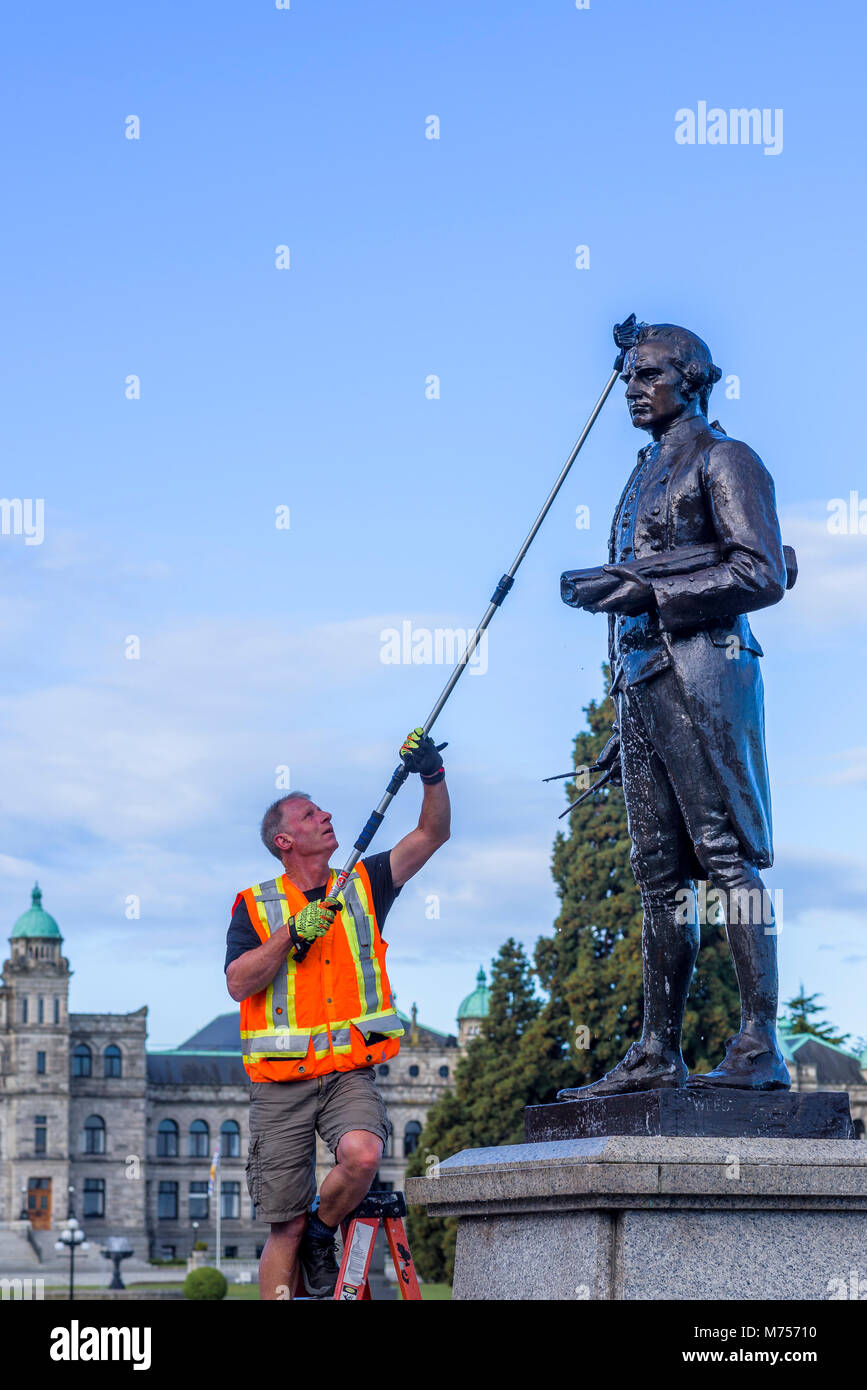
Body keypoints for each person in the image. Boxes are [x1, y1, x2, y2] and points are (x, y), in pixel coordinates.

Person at [561, 321, 790, 1098]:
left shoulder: (725, 459)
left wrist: (648, 590)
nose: (633, 387)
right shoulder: (641, 470)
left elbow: (762, 571)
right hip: (643, 682)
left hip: (706, 673)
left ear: (691, 378)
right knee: (656, 872)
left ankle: (760, 1041)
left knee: (726, 857)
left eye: (649, 374)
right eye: (628, 375)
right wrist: (619, 713)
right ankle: (658, 1049)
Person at [225, 728, 450, 1299]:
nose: (325, 815)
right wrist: (289, 936)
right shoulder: (255, 905)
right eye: (309, 814)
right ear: (284, 840)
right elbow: (238, 982)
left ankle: (325, 1230)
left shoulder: (364, 885)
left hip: (348, 1070)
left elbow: (432, 832)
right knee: (285, 1224)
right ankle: (306, 1237)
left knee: (363, 1153)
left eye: (323, 810)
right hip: (280, 1083)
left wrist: (431, 775)